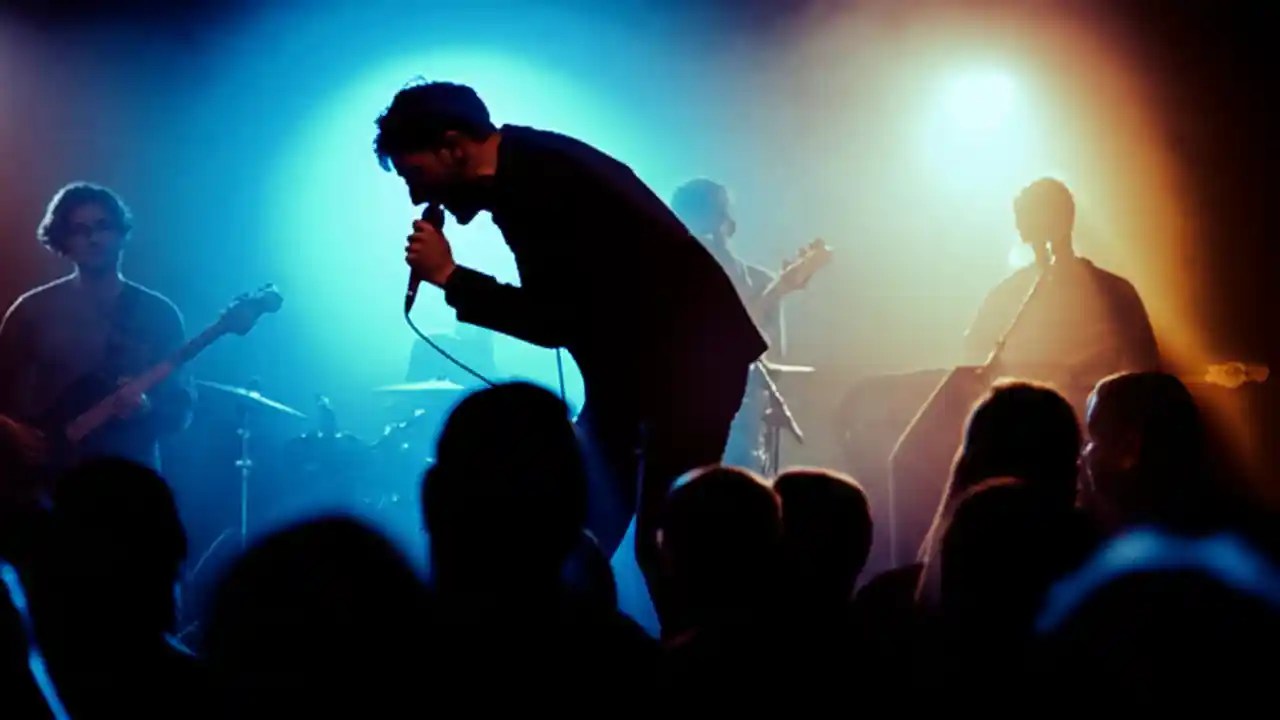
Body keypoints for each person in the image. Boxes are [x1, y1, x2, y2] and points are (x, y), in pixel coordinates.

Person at [376, 82, 766, 585]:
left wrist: (451, 276)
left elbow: (551, 320)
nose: (417, 195)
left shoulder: (540, 184)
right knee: (581, 537)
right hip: (640, 373)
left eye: (416, 174)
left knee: (665, 546)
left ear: (454, 147)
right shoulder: (527, 169)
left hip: (685, 369)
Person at [0, 183, 193, 470]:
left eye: (103, 226)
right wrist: (17, 436)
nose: (93, 239)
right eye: (79, 230)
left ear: (120, 233)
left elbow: (182, 405)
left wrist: (146, 408)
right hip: (47, 478)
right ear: (62, 240)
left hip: (131, 474)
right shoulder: (31, 310)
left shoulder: (158, 314)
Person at [963, 178, 1160, 408]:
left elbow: (1146, 370)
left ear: (1065, 220)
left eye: (1039, 217)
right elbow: (974, 355)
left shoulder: (1115, 293)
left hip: (1094, 420)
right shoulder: (1007, 295)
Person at [671, 178, 785, 472]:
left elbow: (773, 355)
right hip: (683, 404)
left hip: (739, 408)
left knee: (740, 470)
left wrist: (778, 291)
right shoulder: (669, 273)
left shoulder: (756, 279)